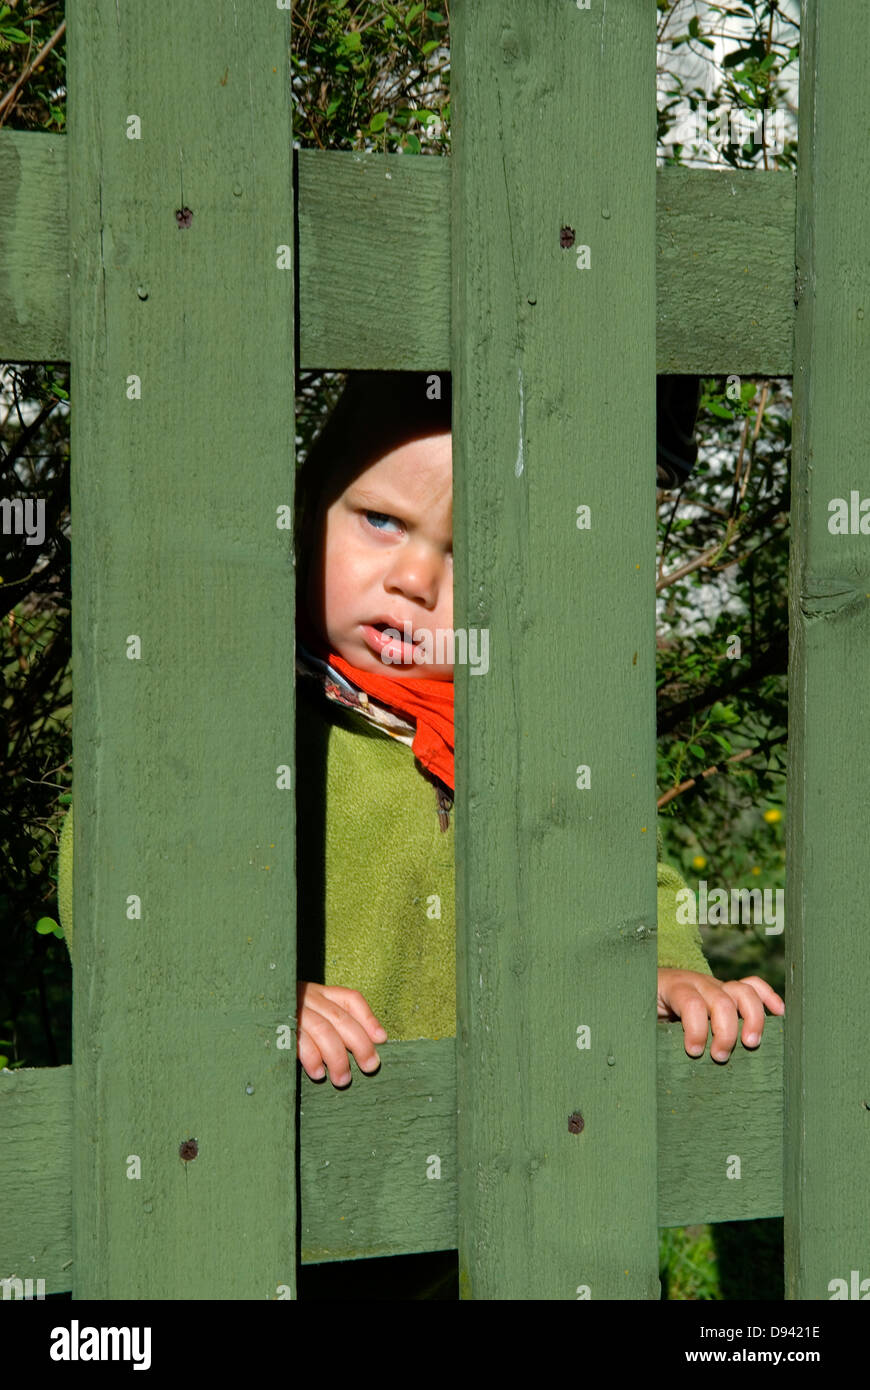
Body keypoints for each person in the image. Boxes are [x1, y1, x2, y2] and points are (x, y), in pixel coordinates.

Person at [55, 368, 785, 1297]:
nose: (414, 579)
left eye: (470, 550)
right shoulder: (242, 711)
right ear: (309, 504)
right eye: (381, 521)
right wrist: (234, 995)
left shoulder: (518, 733)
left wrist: (665, 965)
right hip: (242, 1189)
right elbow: (117, 861)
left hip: (446, 1206)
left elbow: (622, 874)